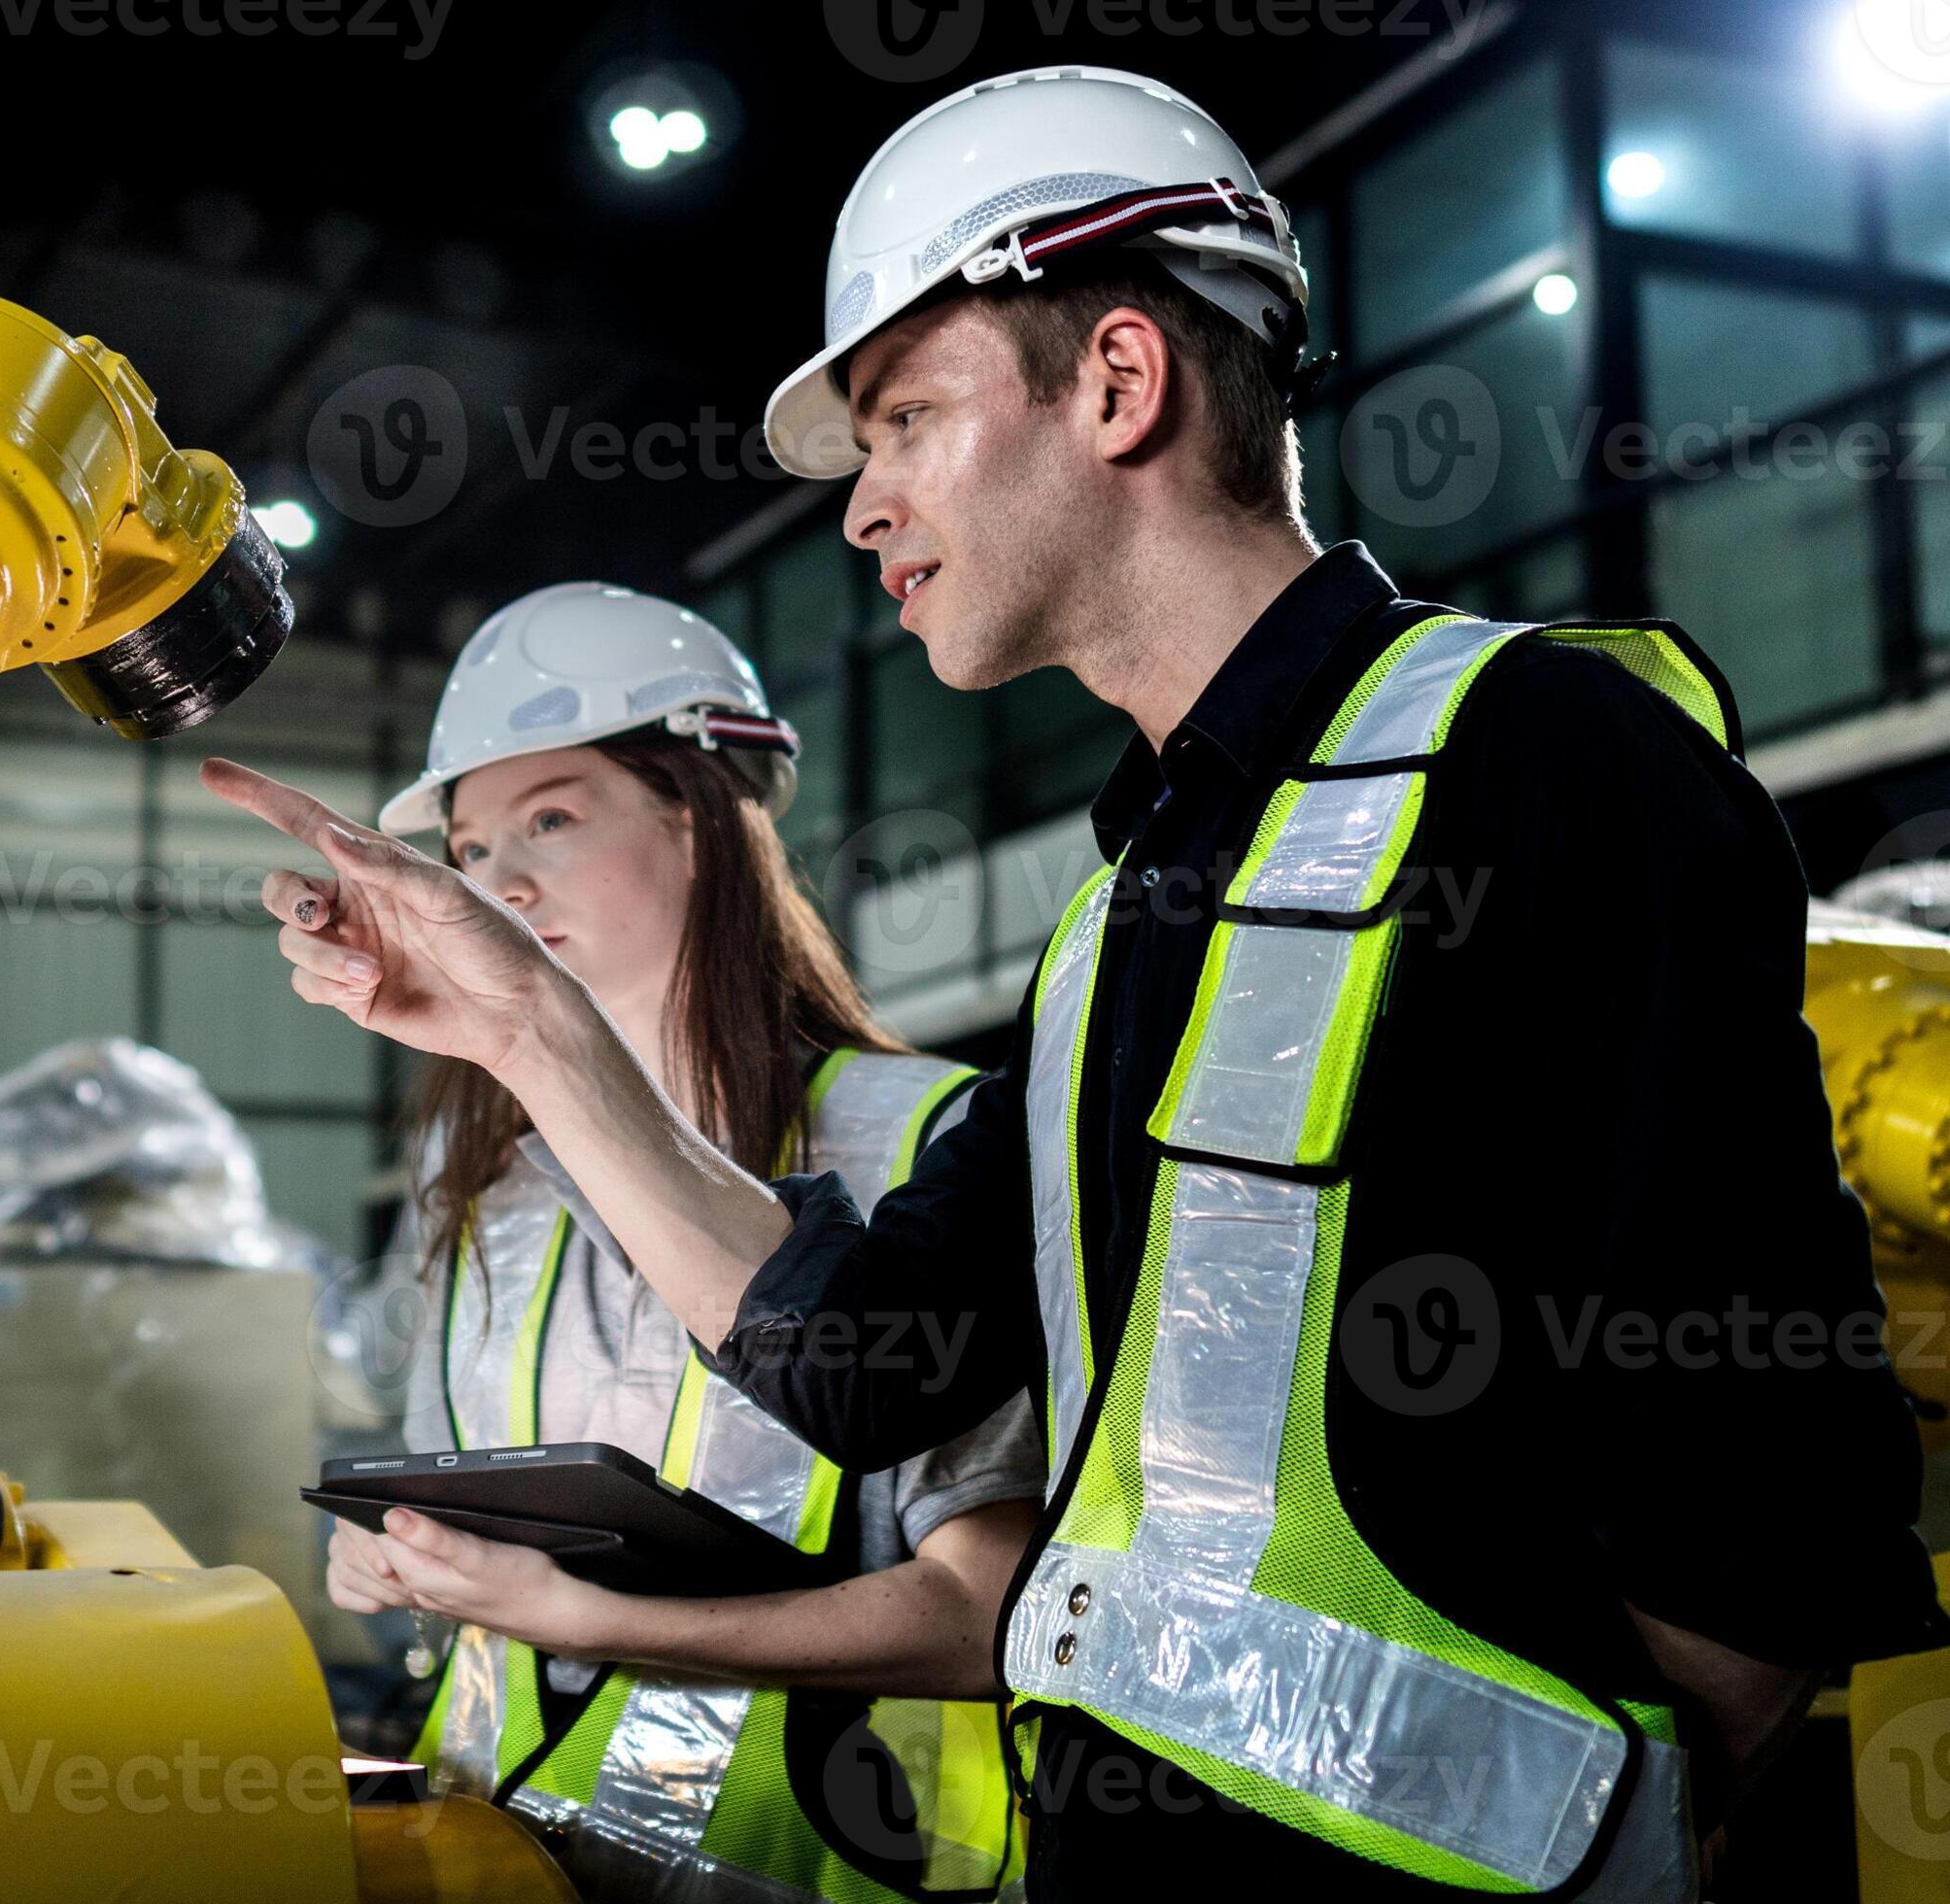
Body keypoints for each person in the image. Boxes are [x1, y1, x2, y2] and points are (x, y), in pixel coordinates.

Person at [213, 64, 1950, 1904]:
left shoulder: (1542, 753)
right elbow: (872, 1361)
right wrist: (521, 1025)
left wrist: (1603, 1828)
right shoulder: (1120, 913)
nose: (866, 512)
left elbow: (1762, 1494)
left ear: (1118, 381)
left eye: (903, 424)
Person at [328, 581, 1038, 1902]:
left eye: (552, 816)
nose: (503, 883)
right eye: (472, 852)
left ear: (701, 821)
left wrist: (602, 1626)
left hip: (821, 1870)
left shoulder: (931, 1143)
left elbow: (995, 1616)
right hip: (498, 1860)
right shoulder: (493, 1184)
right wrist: (406, 1555)